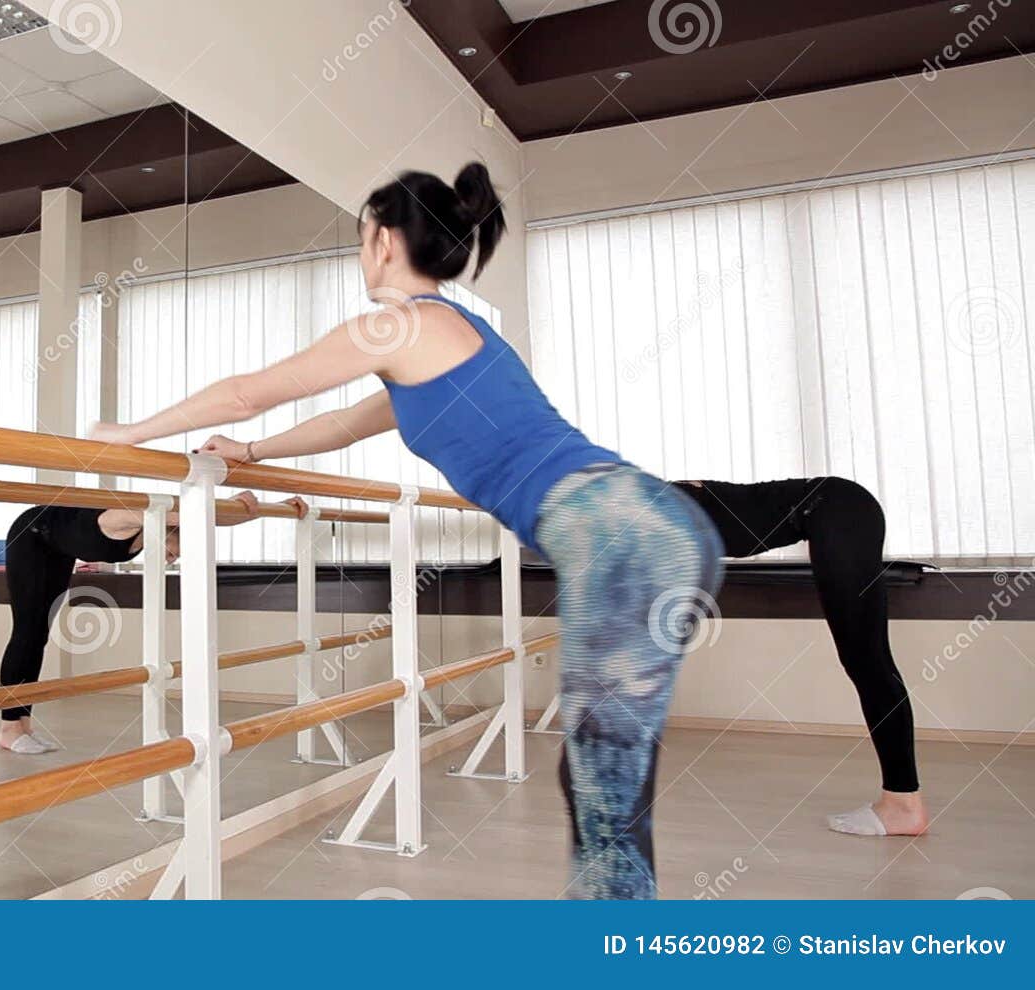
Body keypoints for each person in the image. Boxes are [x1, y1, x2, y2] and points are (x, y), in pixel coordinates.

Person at [92, 162, 724, 899]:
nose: (362, 252)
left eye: (362, 235)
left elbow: (244, 392)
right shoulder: (442, 338)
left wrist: (129, 433)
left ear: (384, 240)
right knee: (602, 782)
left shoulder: (401, 325)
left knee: (604, 797)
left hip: (623, 537)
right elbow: (342, 423)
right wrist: (252, 453)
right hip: (650, 527)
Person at [675, 477, 927, 836]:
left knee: (867, 661)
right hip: (837, 509)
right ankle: (903, 802)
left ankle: (903, 806)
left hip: (835, 508)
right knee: (868, 660)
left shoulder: (649, 510)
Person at [0, 493, 306, 753]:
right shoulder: (123, 520)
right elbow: (196, 510)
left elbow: (204, 517)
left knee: (38, 634)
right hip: (31, 533)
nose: (170, 559)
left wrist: (275, 508)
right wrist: (241, 504)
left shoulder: (150, 529)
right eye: (173, 551)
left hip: (54, 545)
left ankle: (23, 724)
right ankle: (9, 728)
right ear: (171, 527)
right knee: (27, 631)